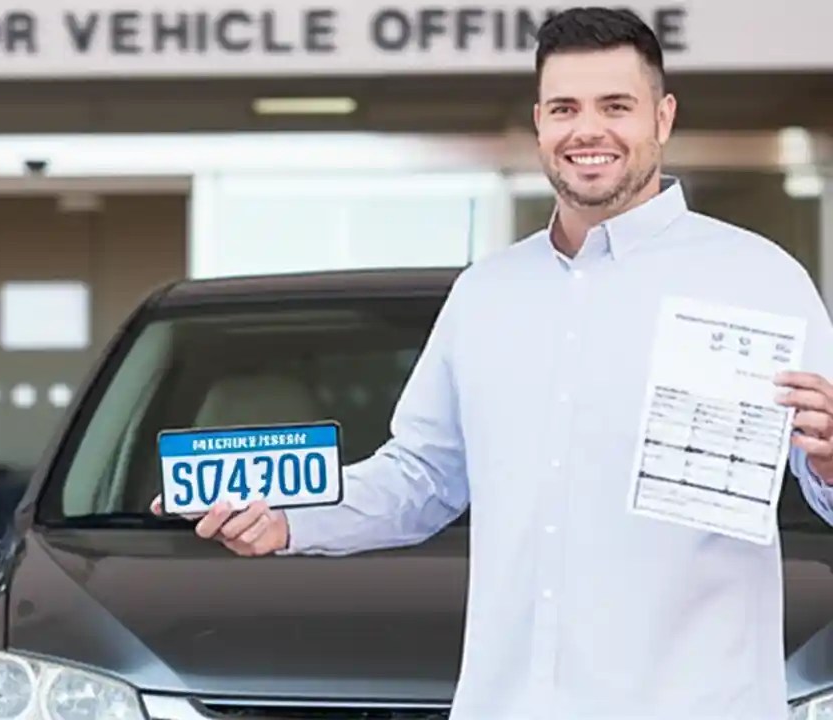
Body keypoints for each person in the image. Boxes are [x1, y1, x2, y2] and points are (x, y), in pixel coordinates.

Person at [151, 6, 833, 720]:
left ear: (662, 118)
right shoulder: (486, 295)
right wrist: (288, 520)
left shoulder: (757, 278)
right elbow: (420, 478)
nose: (588, 130)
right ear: (540, 122)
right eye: (565, 107)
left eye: (616, 106)